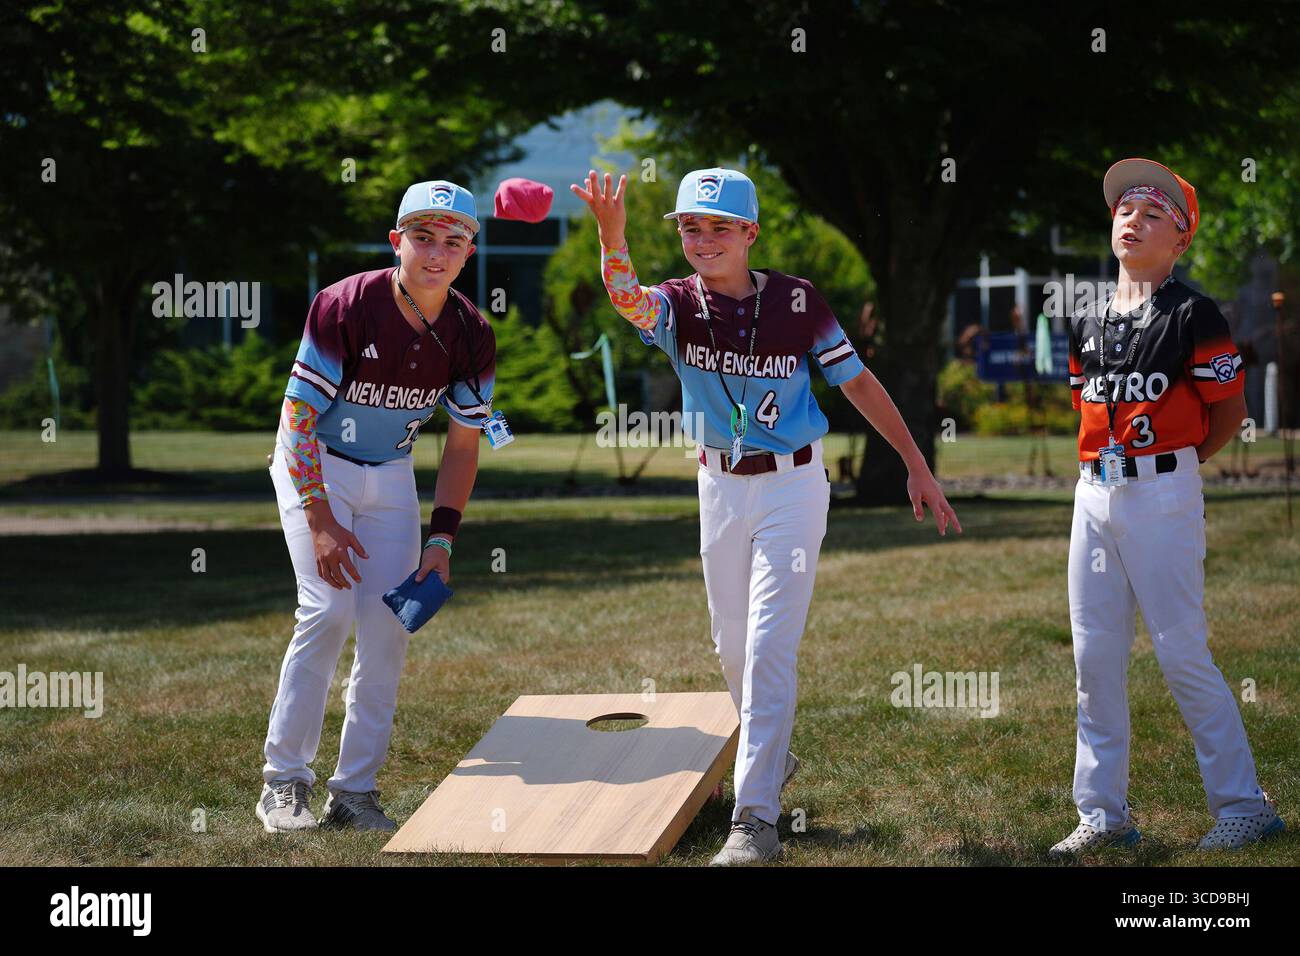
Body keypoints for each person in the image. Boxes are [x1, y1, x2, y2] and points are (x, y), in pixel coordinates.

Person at [572, 167, 961, 865]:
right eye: (691, 226)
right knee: (730, 644)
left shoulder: (798, 300)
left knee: (769, 646)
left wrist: (915, 461)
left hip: (793, 486)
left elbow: (857, 381)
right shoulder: (675, 304)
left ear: (750, 233)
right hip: (718, 486)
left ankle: (756, 821)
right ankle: (771, 759)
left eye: (720, 226)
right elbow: (626, 298)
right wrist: (612, 231)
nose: (703, 239)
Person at [1050, 158, 1284, 856]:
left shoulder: (1194, 312)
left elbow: (1228, 410)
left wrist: (1176, 469)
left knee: (1181, 650)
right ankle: (1103, 813)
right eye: (1126, 207)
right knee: (1094, 657)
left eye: (1155, 213)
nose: (1135, 217)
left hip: (1162, 489)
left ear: (1180, 241)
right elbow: (1080, 402)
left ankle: (1244, 805)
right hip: (1093, 491)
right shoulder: (1086, 313)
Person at [257, 180, 496, 832]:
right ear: (397, 241)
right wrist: (320, 517)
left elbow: (462, 448)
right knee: (329, 610)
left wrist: (442, 541)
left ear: (469, 251)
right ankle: (284, 783)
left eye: (453, 240)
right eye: (422, 236)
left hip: (390, 473)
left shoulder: (472, 332)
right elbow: (299, 417)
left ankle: (354, 792)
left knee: (391, 627)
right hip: (316, 466)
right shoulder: (345, 304)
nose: (436, 252)